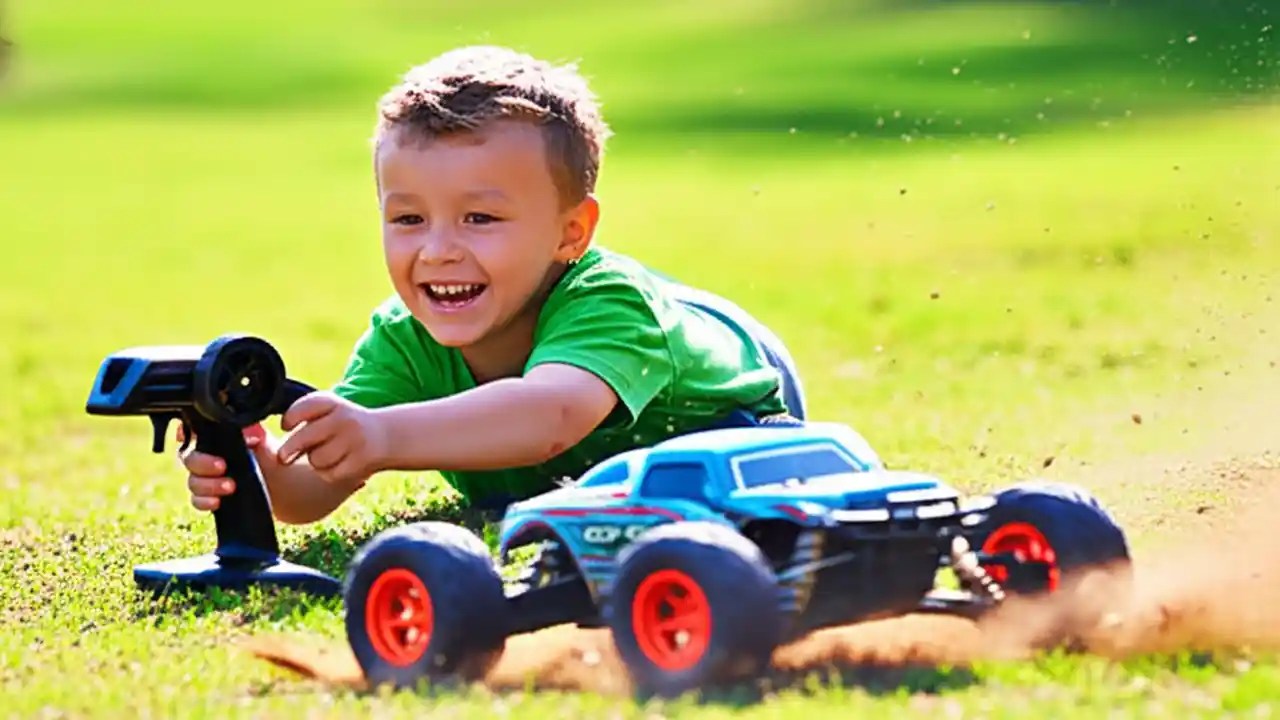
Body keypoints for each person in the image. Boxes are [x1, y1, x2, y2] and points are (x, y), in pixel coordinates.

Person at [182, 45, 807, 524]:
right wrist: (250, 460)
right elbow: (316, 485)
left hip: (737, 406)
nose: (437, 251)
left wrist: (385, 435)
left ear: (570, 231)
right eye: (407, 219)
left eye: (479, 218)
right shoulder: (405, 341)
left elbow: (551, 417)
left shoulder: (609, 301)